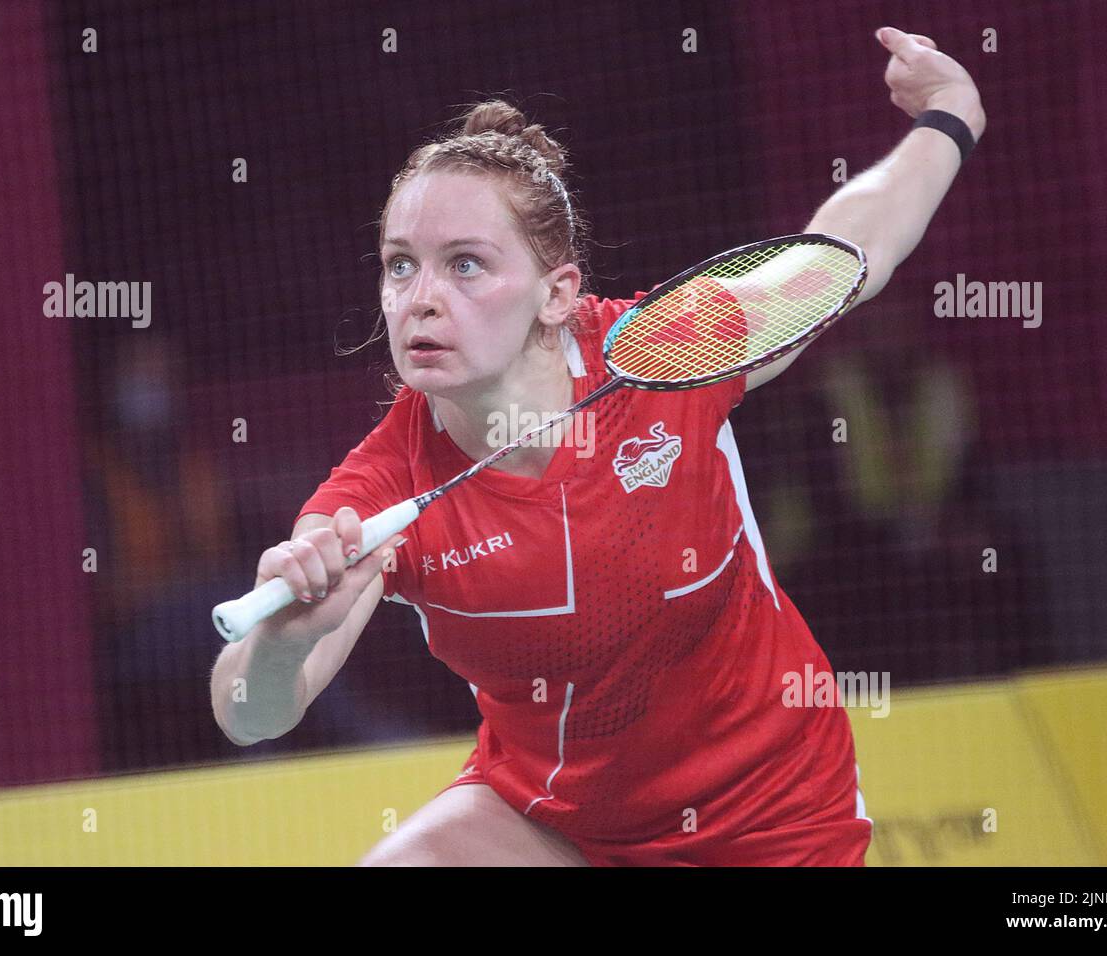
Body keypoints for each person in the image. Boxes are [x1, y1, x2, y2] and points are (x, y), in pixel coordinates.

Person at [210, 26, 986, 865]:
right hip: (555, 822)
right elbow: (246, 713)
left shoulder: (664, 355)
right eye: (401, 266)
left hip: (772, 818)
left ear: (557, 293)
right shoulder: (383, 488)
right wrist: (285, 639)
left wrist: (949, 115)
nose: (420, 300)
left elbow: (847, 254)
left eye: (464, 264)